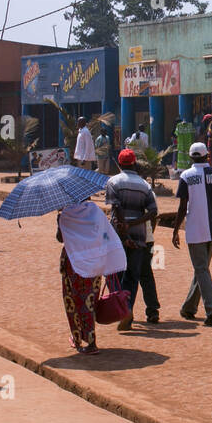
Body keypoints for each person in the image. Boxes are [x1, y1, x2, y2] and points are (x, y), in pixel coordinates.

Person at [172, 141, 212, 326]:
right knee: (202, 269)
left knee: (201, 269)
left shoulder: (186, 176)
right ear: (207, 155)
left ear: (191, 157)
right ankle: (189, 308)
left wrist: (175, 230)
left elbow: (182, 207)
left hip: (194, 230)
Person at [56, 194, 127, 355]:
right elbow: (105, 234)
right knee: (89, 301)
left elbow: (60, 238)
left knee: (72, 301)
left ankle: (80, 338)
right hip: (94, 262)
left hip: (72, 263)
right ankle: (89, 339)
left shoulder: (65, 215)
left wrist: (59, 221)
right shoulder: (95, 211)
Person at [106, 149, 161, 330]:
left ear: (120, 164)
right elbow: (153, 211)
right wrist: (135, 223)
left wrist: (124, 227)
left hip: (118, 236)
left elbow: (116, 206)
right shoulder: (144, 185)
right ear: (134, 164)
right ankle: (127, 308)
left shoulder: (113, 182)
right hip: (139, 235)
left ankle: (123, 309)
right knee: (133, 276)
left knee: (115, 273)